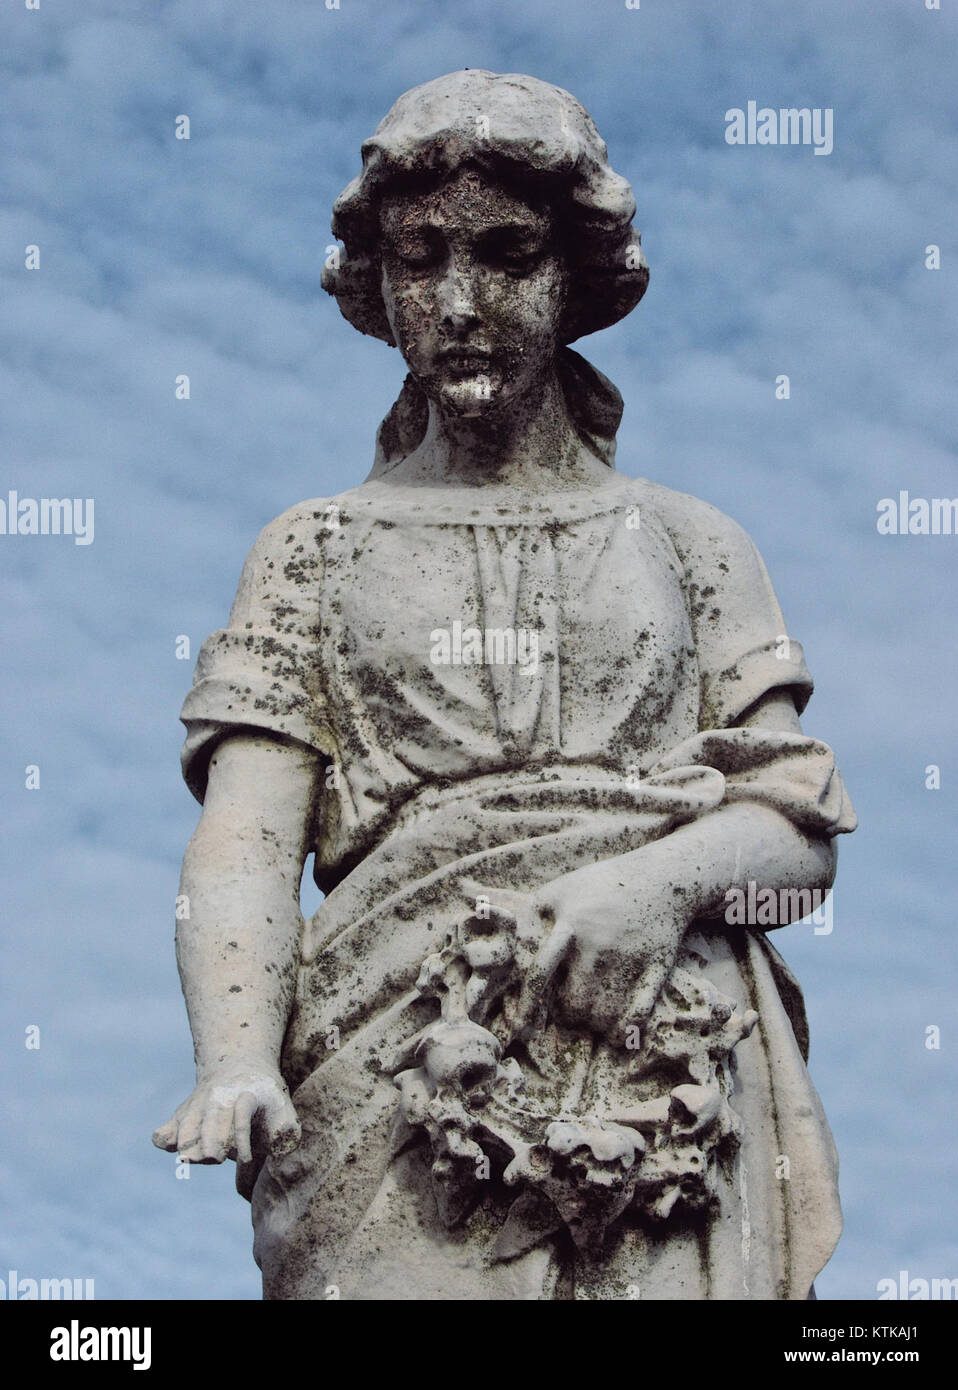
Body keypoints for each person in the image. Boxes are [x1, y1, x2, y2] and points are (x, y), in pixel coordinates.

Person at [154, 70, 856, 1300]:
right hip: (391, 1078)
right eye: (421, 258)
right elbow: (246, 845)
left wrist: (658, 882)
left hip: (669, 1077)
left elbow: (797, 845)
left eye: (506, 253)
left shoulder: (690, 542)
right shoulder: (314, 550)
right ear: (377, 282)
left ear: (575, 274)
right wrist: (236, 1057)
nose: (461, 302)